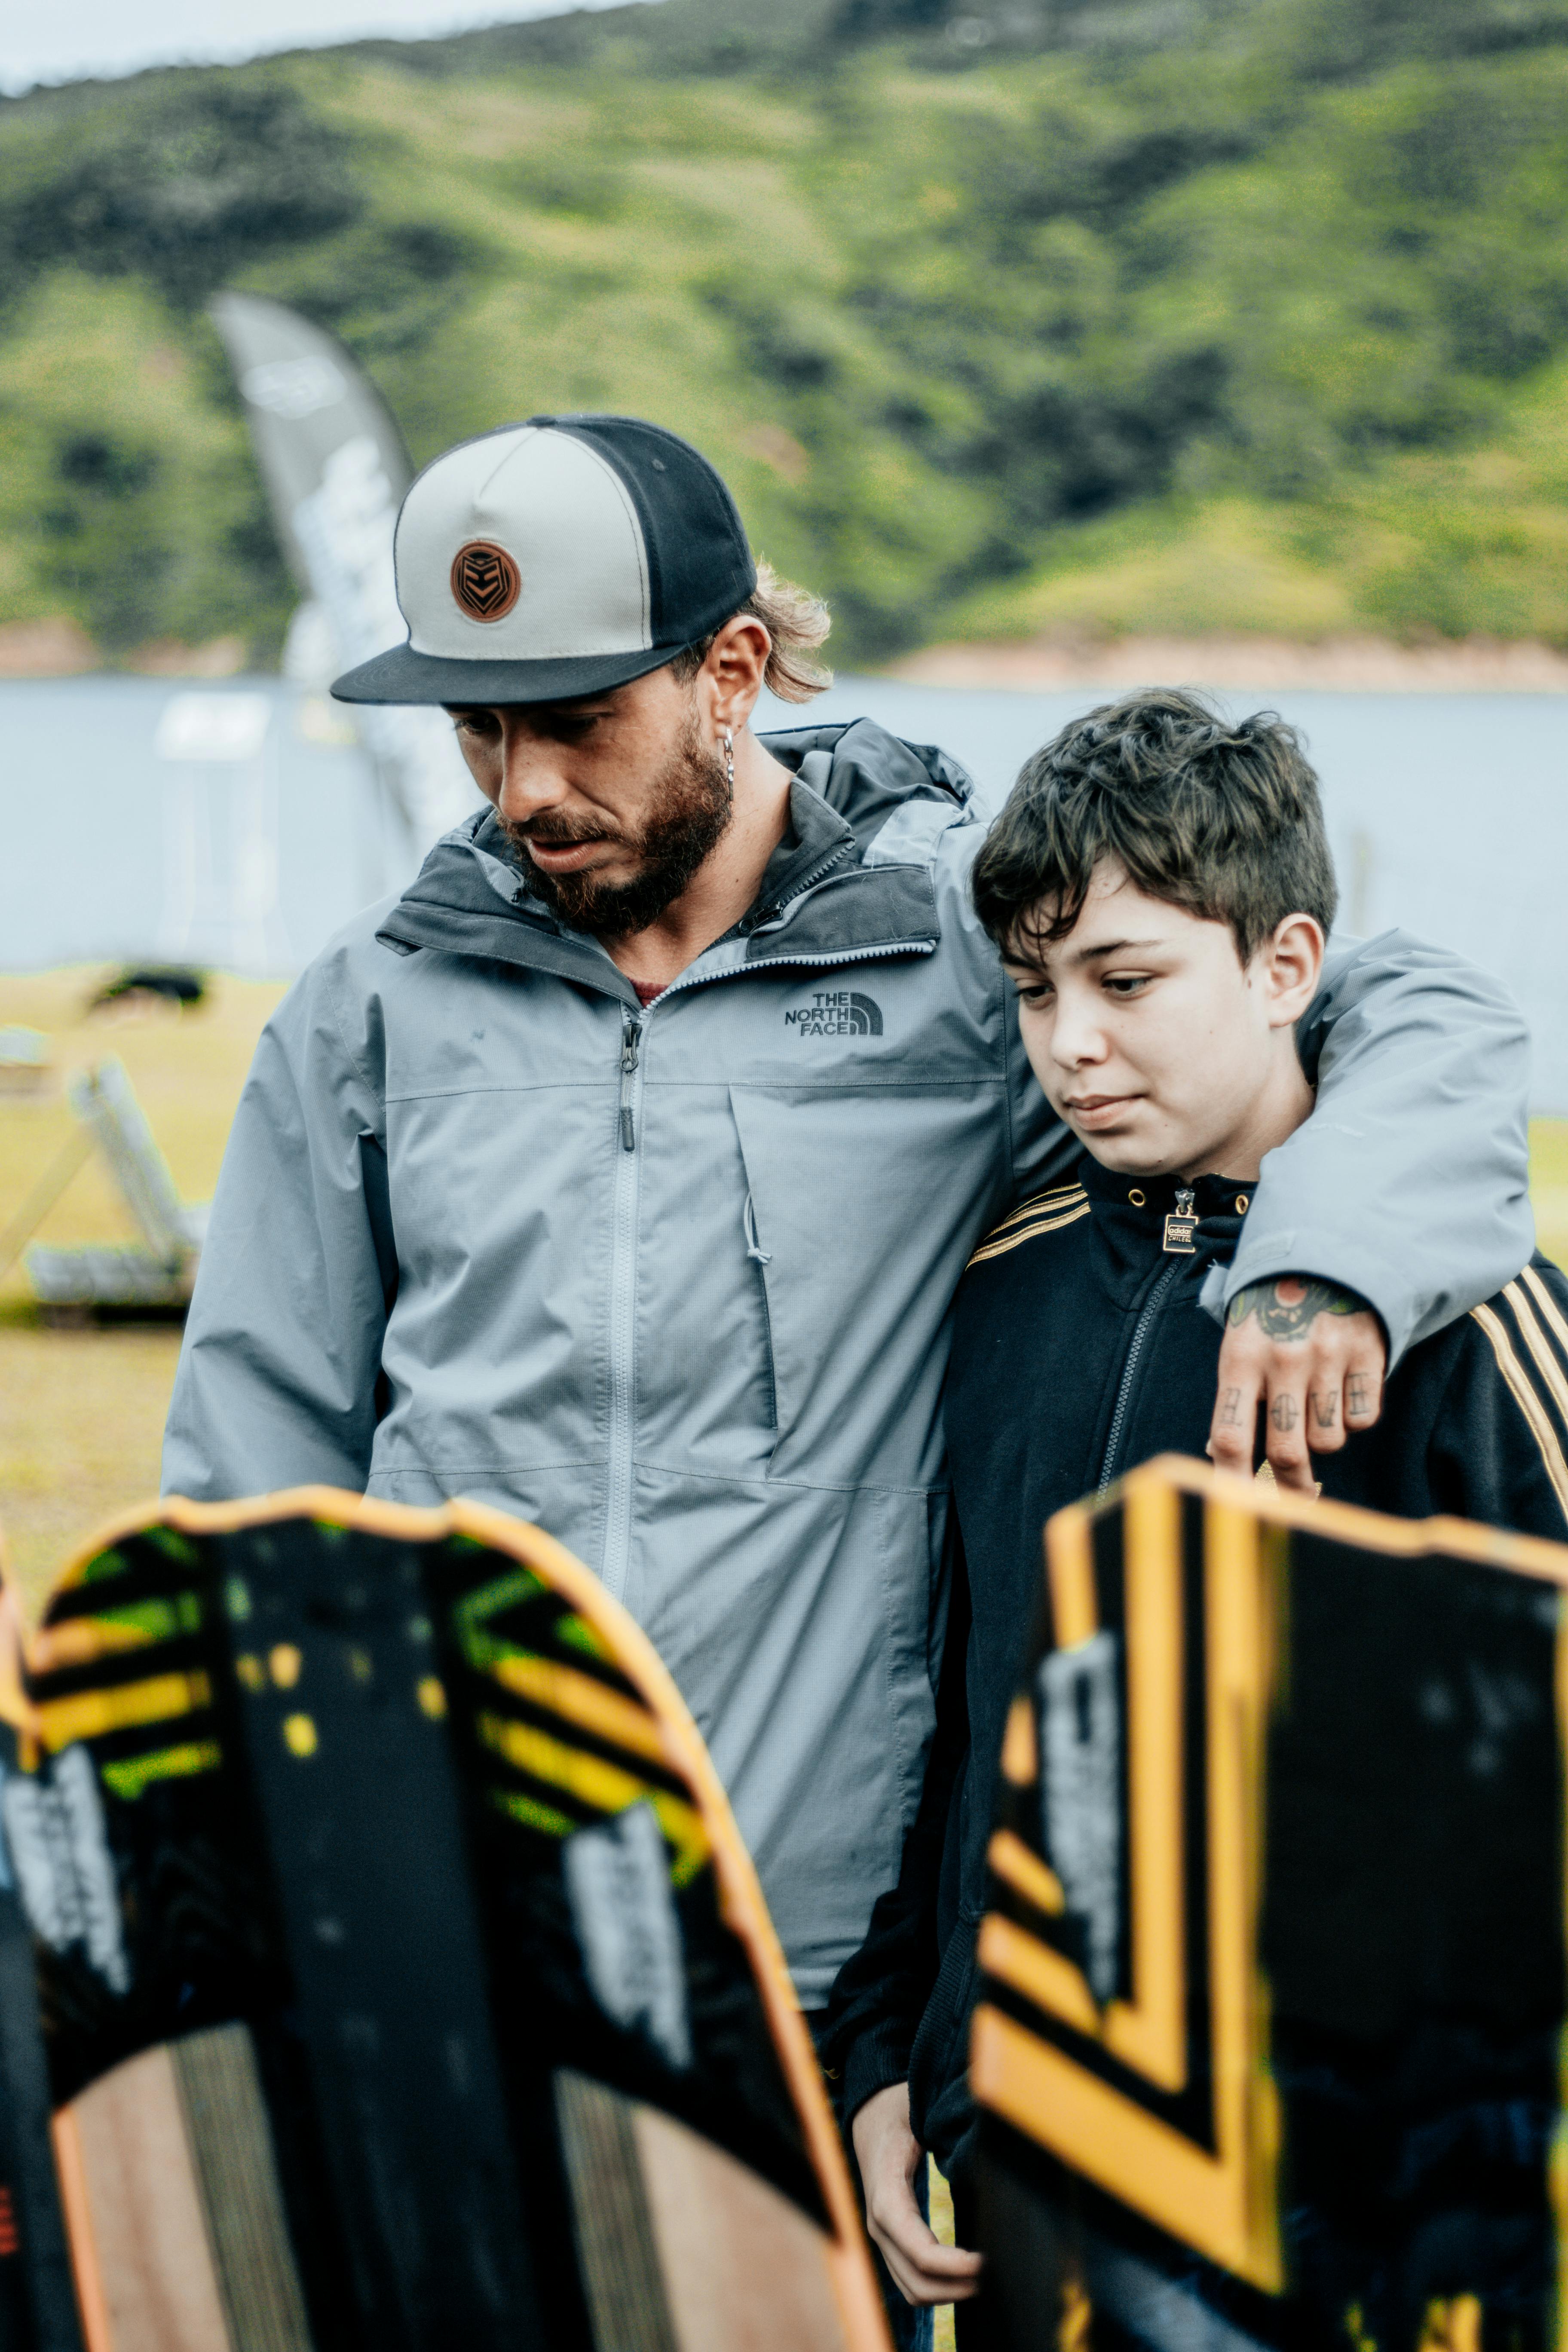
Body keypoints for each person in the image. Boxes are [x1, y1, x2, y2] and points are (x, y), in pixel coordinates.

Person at [164, 414, 1529, 2054]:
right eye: (480, 731)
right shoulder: (368, 1004)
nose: (526, 790)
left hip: (807, 1959)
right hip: (445, 1937)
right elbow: (252, 1473)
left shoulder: (975, 955)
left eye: (581, 723)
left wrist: (1328, 1262)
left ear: (732, 671)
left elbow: (1390, 1011)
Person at [831, 689, 1567, 2340]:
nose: (1069, 1044)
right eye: (1035, 992)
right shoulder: (1000, 1291)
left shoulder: (1472, 1329)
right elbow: (951, 1721)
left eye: (1128, 980)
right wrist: (888, 2056)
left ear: (1287, 966)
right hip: (1017, 2162)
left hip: (1363, 2220)